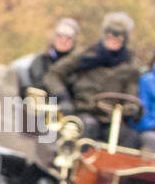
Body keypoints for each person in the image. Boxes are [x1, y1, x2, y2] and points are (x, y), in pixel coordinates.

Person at [43, 11, 142, 148]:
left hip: (111, 118)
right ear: (104, 34)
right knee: (88, 128)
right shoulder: (86, 55)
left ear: (124, 39)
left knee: (129, 138)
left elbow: (131, 92)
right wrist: (63, 97)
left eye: (118, 35)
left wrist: (132, 108)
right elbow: (53, 74)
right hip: (83, 111)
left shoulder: (131, 65)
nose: (113, 38)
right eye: (110, 33)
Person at [20, 17, 79, 96]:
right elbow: (37, 84)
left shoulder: (78, 62)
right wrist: (60, 93)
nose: (63, 40)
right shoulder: (42, 59)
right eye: (60, 35)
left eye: (68, 37)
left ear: (74, 40)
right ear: (54, 37)